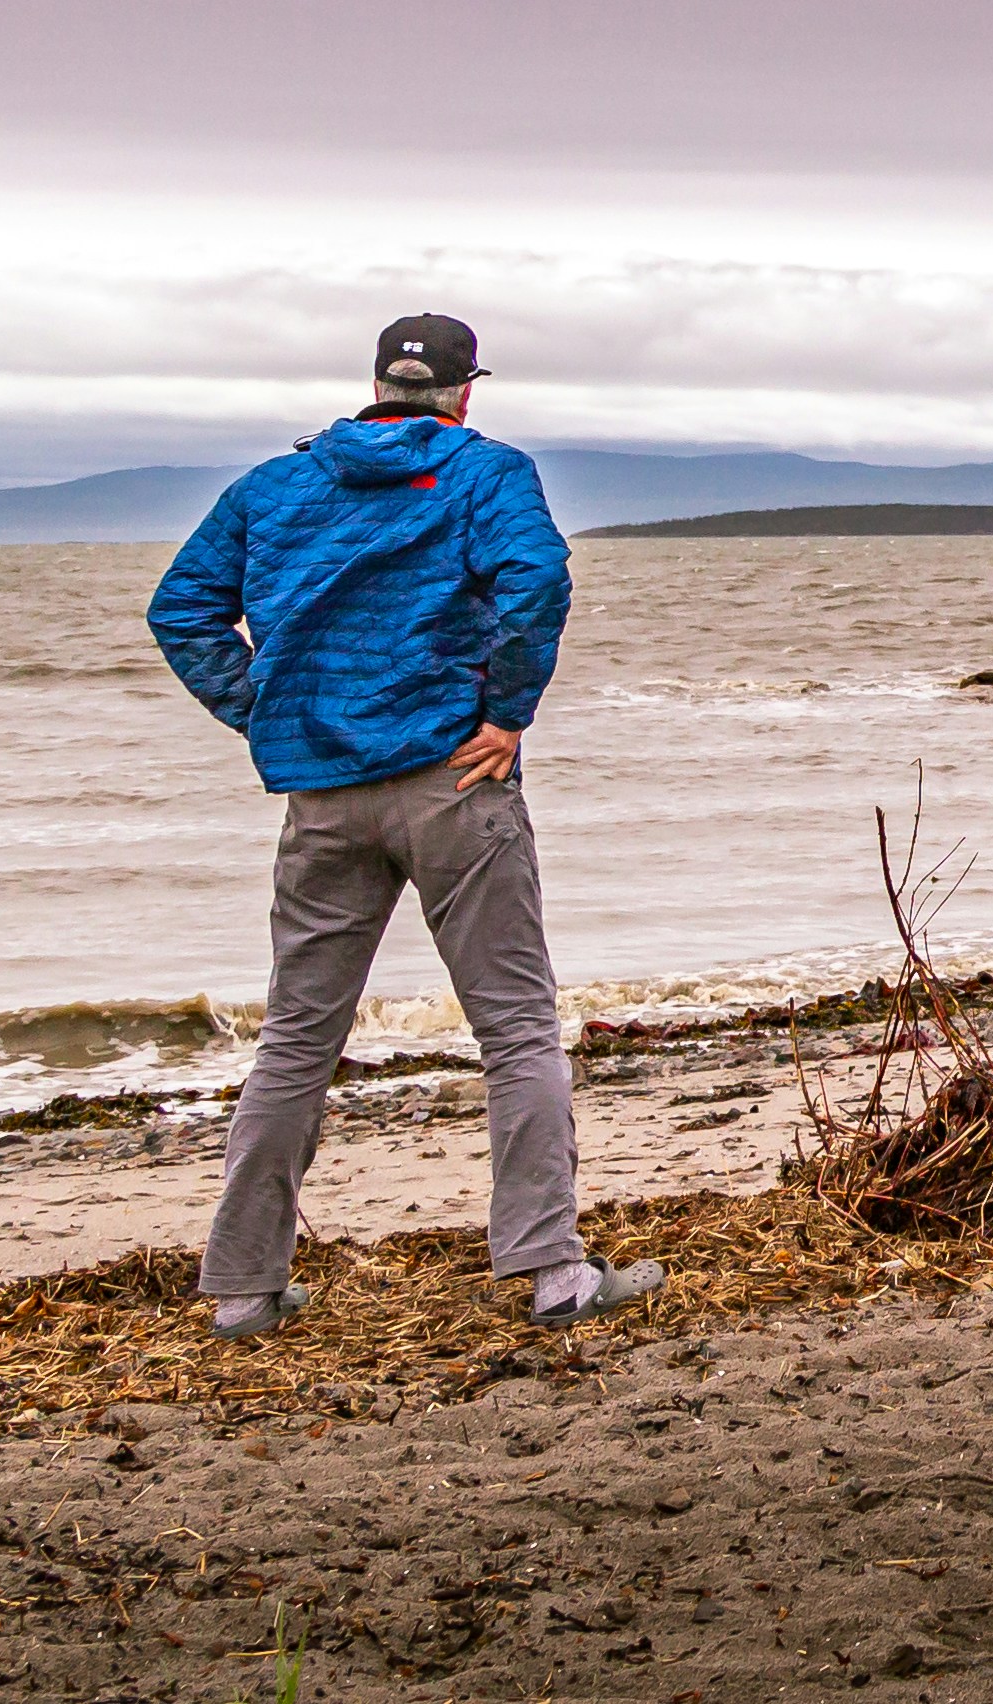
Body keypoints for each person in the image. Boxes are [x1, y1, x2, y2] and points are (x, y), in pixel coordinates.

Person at [146, 312, 656, 1339]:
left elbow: (182, 611)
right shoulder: (484, 472)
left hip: (321, 796)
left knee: (297, 1038)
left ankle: (244, 1290)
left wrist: (268, 709)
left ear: (379, 381)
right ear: (467, 391)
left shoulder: (274, 487)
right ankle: (552, 1273)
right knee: (513, 1026)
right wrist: (508, 714)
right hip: (453, 781)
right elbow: (537, 581)